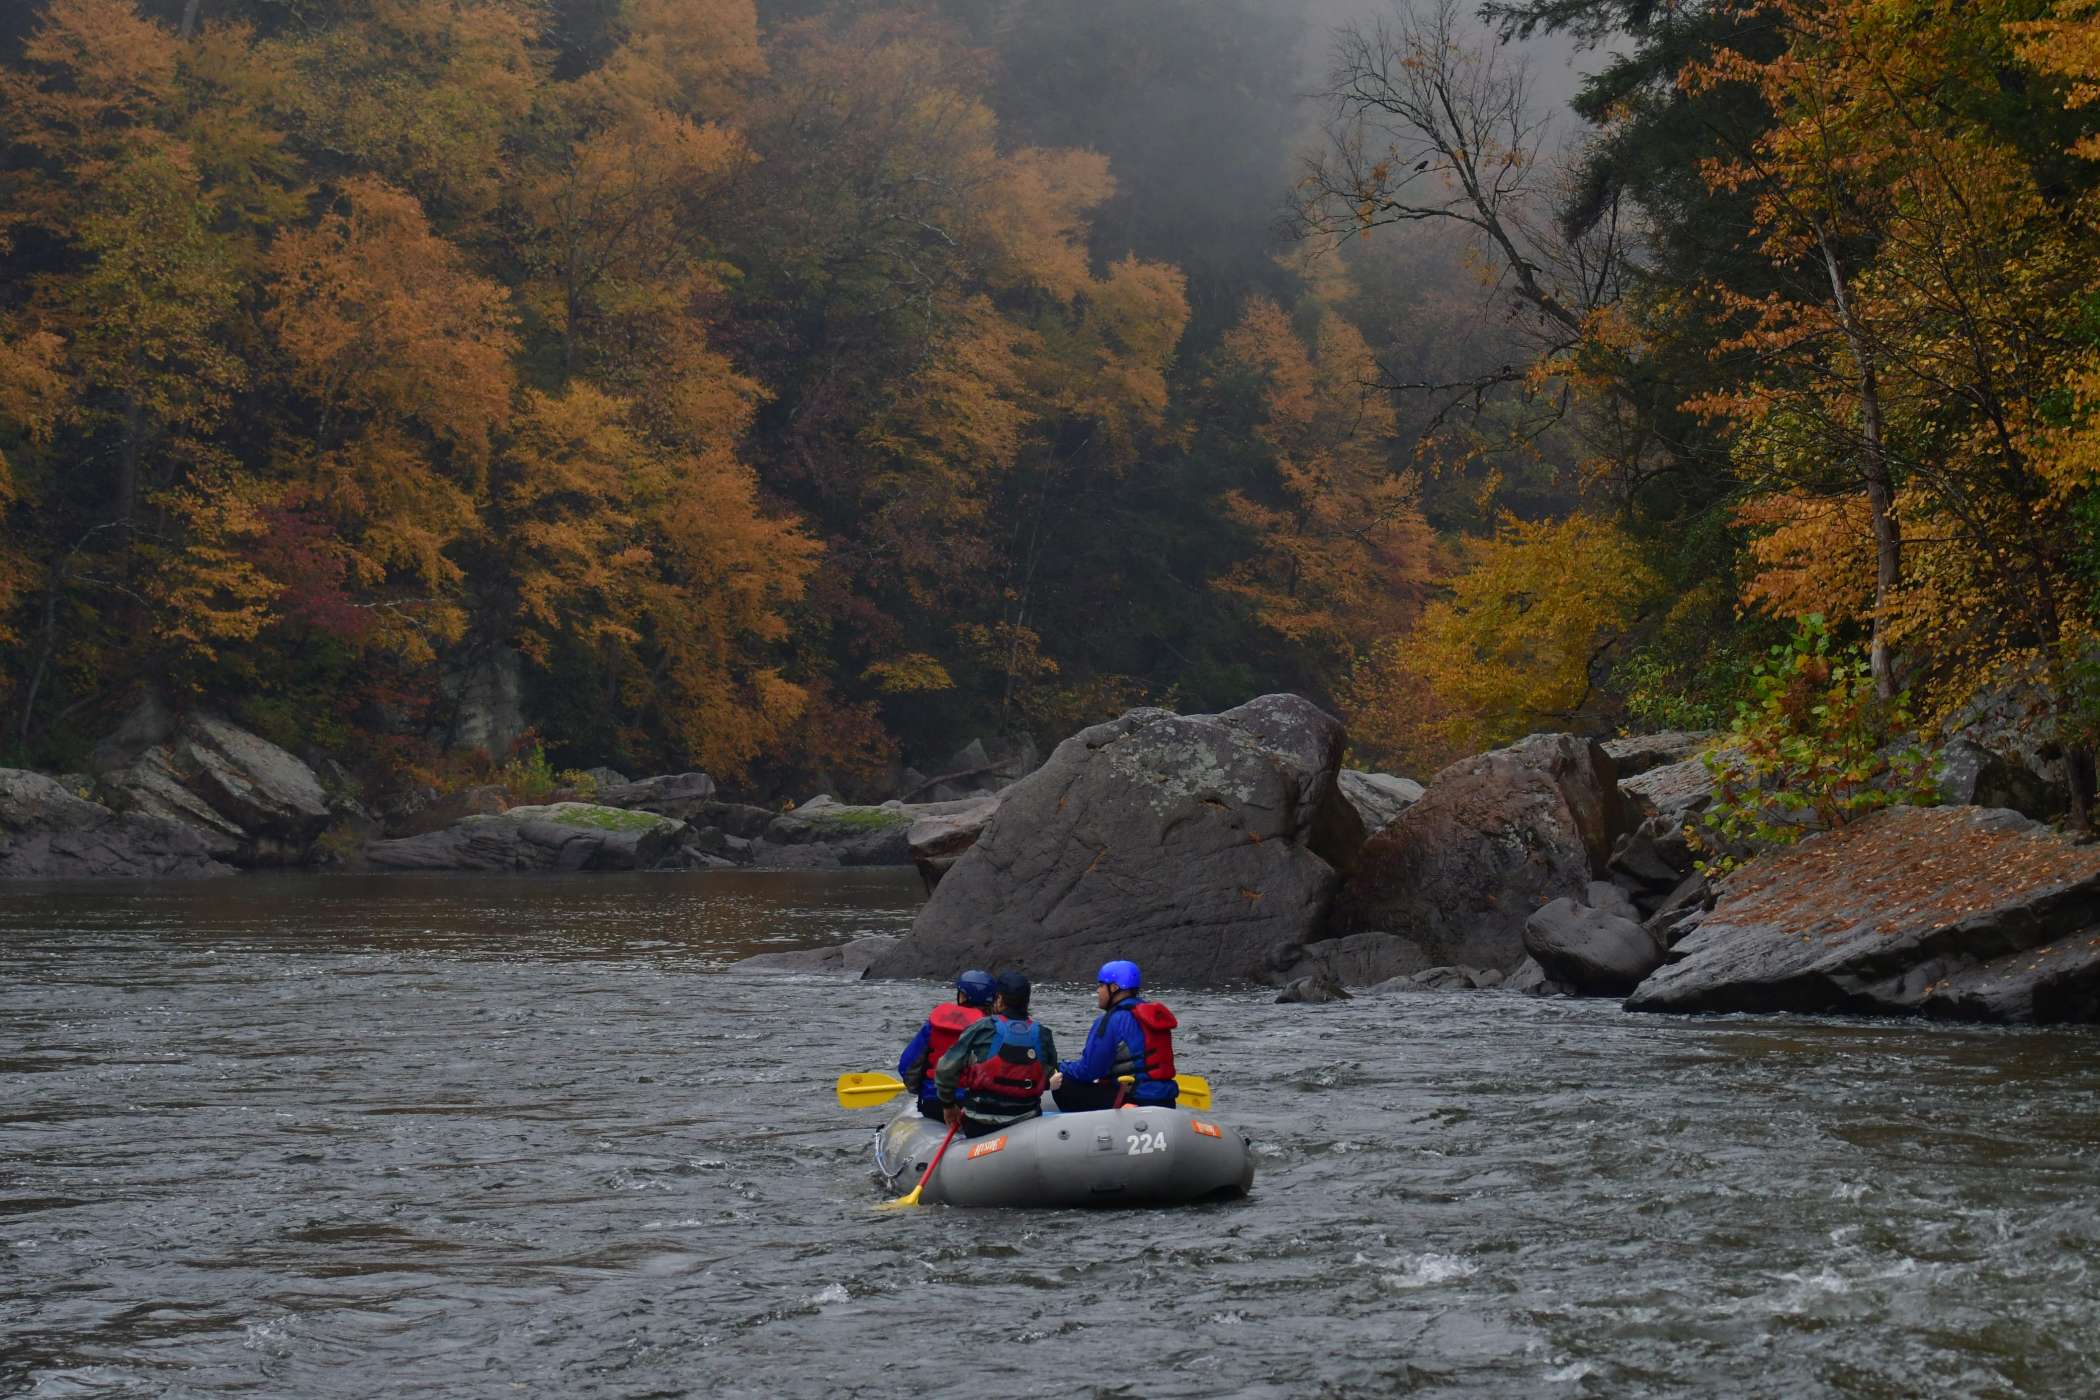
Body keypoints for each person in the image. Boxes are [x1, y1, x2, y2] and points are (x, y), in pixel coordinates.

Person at [933, 971, 1058, 1138]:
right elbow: (1049, 1072)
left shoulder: (982, 1027)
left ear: (999, 999)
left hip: (979, 1123)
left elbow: (945, 1069)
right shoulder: (1043, 1034)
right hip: (1026, 1122)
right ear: (1027, 1001)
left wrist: (948, 1105)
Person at [1050, 959, 1178, 1112]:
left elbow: (1089, 1071)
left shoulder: (1112, 1020)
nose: (1098, 991)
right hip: (1166, 1101)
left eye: (1101, 985)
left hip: (1135, 1100)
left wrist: (1060, 1067)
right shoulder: (1151, 1016)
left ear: (1114, 988)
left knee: (1063, 1084)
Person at [898, 969, 996, 1121]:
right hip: (975, 1106)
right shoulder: (994, 1028)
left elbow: (907, 1065)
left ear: (963, 996)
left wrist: (918, 1090)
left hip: (933, 1103)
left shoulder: (934, 1024)